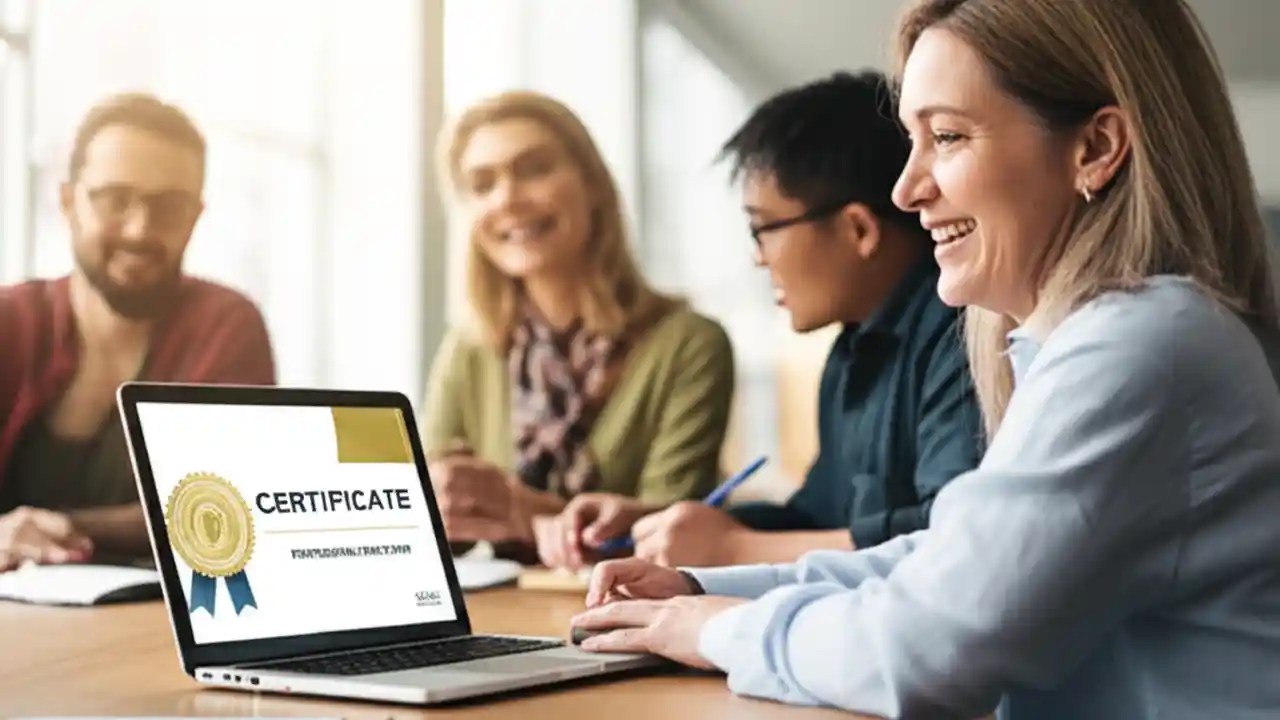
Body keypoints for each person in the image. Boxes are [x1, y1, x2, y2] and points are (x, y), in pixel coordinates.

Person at [570, 1, 1280, 717]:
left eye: (946, 136)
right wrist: (701, 591)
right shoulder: (1101, 340)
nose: (906, 190)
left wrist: (714, 629)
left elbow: (925, 646)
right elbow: (944, 564)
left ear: (1095, 148)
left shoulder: (1139, 343)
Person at [540, 72, 981, 570]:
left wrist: (733, 548)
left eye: (762, 229)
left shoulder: (962, 336)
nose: (758, 257)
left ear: (858, 229)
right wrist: (656, 525)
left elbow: (947, 539)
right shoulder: (854, 349)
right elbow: (817, 518)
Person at [423, 90, 734, 564]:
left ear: (592, 184)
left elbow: (677, 541)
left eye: (533, 169)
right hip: (506, 603)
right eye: (482, 184)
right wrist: (444, 507)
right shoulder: (470, 346)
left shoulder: (689, 345)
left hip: (630, 606)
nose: (507, 198)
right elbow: (431, 522)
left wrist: (520, 511)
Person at [0, 93, 276, 572]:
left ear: (196, 216)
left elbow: (231, 502)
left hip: (161, 612)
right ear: (68, 202)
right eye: (115, 200)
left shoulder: (226, 325)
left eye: (169, 207)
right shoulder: (11, 323)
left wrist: (61, 526)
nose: (139, 229)